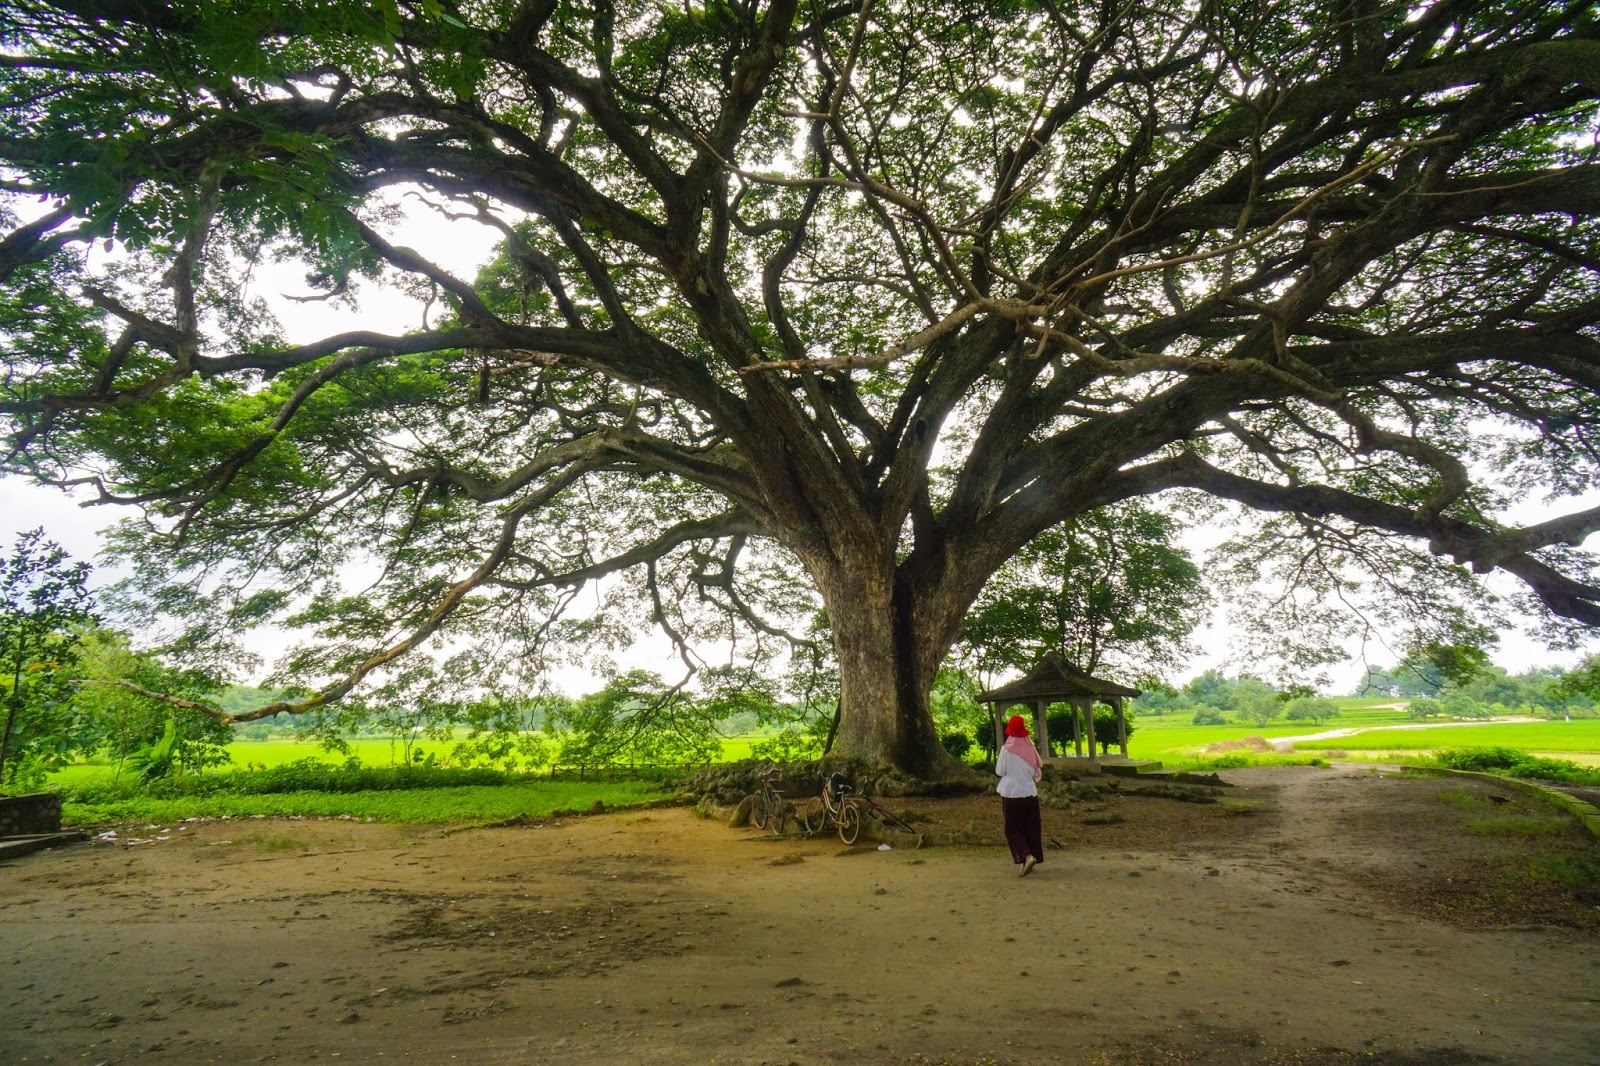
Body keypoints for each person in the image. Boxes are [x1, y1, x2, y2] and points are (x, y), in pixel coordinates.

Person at [995, 713, 1044, 876]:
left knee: (1013, 830)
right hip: (1030, 793)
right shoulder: (1030, 749)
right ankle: (1029, 859)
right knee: (1031, 827)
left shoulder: (1007, 750)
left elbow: (999, 771)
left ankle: (1026, 856)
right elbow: (1036, 771)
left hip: (1012, 794)